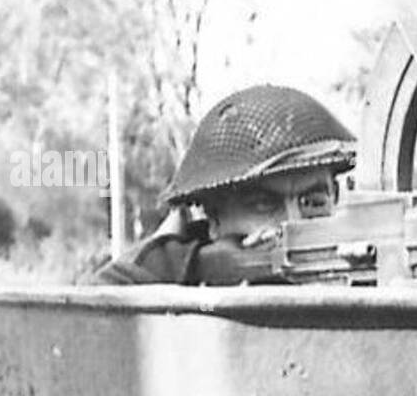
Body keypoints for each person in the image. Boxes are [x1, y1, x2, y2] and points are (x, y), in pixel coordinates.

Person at [90, 85, 356, 285]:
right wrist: (196, 266)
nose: (293, 223)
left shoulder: (360, 256)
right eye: (264, 205)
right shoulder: (189, 274)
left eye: (313, 203)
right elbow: (89, 306)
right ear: (214, 220)